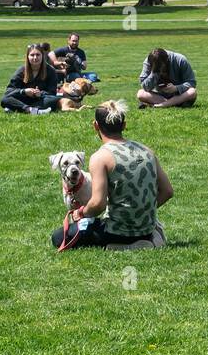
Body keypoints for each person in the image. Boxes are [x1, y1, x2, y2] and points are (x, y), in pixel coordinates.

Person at [53, 100, 173, 250]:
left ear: (95, 125)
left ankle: (123, 245)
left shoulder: (100, 157)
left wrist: (80, 213)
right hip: (146, 227)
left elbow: (98, 204)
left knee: (59, 236)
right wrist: (142, 213)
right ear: (124, 125)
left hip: (116, 230)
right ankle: (152, 237)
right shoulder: (147, 151)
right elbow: (168, 191)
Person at [2, 44, 63, 114]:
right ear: (27, 57)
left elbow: (52, 93)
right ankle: (31, 110)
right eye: (32, 55)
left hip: (40, 99)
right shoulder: (21, 71)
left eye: (38, 55)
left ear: (42, 56)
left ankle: (17, 108)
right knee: (5, 99)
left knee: (53, 100)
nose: (35, 57)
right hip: (24, 99)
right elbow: (9, 91)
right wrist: (24, 91)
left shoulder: (50, 71)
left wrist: (40, 93)